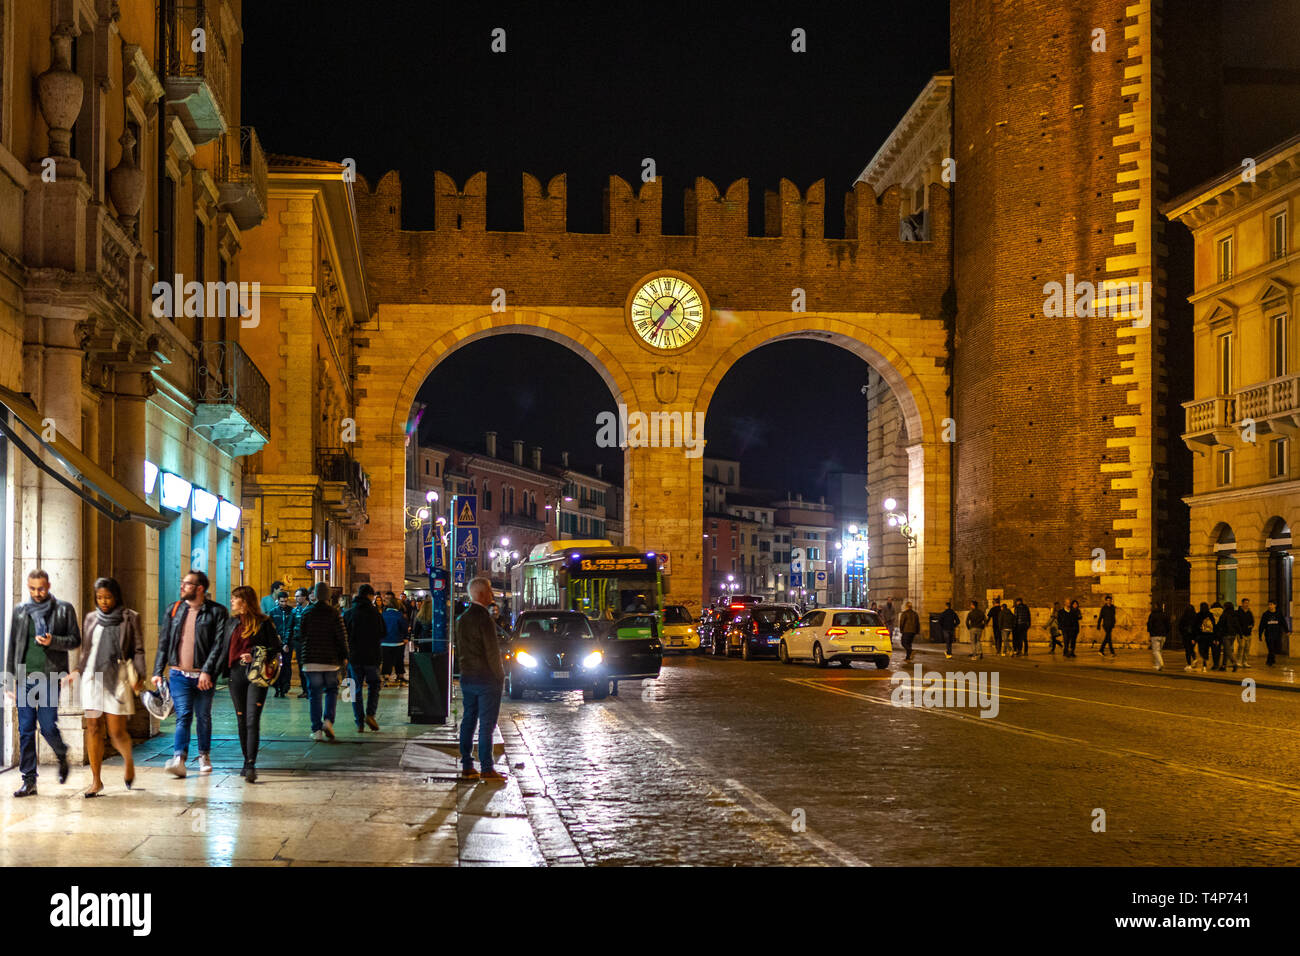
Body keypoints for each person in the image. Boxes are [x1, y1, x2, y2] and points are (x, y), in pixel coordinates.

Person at [4, 570, 79, 797]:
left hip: (49, 677)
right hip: (25, 678)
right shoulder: (20, 611)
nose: (37, 593)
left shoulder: (64, 609)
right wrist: (9, 680)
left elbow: (75, 640)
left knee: (47, 727)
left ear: (49, 585)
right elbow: (12, 647)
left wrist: (52, 640)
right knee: (26, 730)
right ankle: (29, 780)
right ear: (28, 587)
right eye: (33, 588)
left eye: (41, 588)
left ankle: (61, 752)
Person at [153, 569, 229, 778]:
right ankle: (179, 758)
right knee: (183, 715)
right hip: (178, 674)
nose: (182, 587)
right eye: (183, 583)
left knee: (203, 715)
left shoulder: (217, 612)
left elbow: (219, 645)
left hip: (204, 677)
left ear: (200, 588)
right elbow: (164, 642)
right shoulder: (174, 609)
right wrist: (157, 671)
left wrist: (207, 672)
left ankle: (204, 755)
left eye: (186, 583)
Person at [76, 577, 145, 797]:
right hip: (92, 677)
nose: (103, 601)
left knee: (116, 731)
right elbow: (86, 650)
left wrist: (140, 675)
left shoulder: (130, 618)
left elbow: (138, 649)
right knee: (94, 727)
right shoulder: (90, 619)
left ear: (116, 596)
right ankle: (96, 781)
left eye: (107, 597)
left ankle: (128, 761)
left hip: (118, 677)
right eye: (99, 597)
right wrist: (77, 671)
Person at [226, 586, 282, 782]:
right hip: (236, 674)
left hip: (256, 675)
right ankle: (245, 761)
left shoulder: (264, 622)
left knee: (252, 720)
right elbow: (222, 647)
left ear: (245, 601)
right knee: (241, 720)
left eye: (235, 598)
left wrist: (256, 654)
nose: (232, 601)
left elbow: (275, 648)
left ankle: (251, 763)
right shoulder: (231, 623)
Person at [454, 576, 506, 781]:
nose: (492, 595)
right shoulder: (485, 620)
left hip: (468, 677)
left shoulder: (462, 619)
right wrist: (500, 677)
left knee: (468, 720)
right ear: (482, 594)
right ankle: (486, 767)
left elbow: (460, 650)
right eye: (490, 591)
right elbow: (493, 654)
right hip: (486, 679)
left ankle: (467, 764)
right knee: (486, 724)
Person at [298, 581, 350, 741]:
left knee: (314, 695)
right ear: (329, 596)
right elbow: (341, 637)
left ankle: (317, 730)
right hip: (330, 660)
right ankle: (328, 721)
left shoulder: (307, 612)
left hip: (311, 660)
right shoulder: (334, 613)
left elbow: (301, 635)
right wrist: (345, 656)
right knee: (331, 691)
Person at [343, 584, 384, 733]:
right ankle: (370, 714)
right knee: (374, 685)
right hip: (372, 657)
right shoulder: (375, 613)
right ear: (369, 596)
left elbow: (343, 635)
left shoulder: (349, 613)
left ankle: (359, 721)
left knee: (356, 689)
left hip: (354, 657)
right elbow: (382, 632)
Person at [269, 590, 295, 698]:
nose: (283, 604)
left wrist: (287, 642)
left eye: (285, 601)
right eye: (281, 601)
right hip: (276, 643)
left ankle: (285, 686)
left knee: (286, 665)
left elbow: (291, 627)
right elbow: (270, 628)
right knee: (276, 665)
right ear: (278, 601)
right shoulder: (273, 612)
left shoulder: (291, 611)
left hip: (288, 642)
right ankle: (277, 686)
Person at [380, 591, 409, 686]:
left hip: (385, 642)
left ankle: (386, 677)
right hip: (398, 642)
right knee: (399, 660)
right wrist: (405, 637)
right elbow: (404, 628)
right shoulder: (399, 615)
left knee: (386, 660)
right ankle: (400, 676)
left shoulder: (383, 614)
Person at [289, 587, 311, 696]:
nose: (296, 598)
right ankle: (305, 690)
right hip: (298, 641)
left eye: (298, 596)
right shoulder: (295, 611)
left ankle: (310, 689)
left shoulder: (311, 609)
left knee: (309, 666)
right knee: (301, 665)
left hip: (309, 641)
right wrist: (286, 642)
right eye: (296, 596)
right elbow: (290, 627)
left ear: (304, 597)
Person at [1259, 601, 1289, 666]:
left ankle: (1270, 660)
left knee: (1275, 648)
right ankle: (1270, 661)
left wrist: (1287, 631)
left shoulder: (1279, 614)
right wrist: (1260, 634)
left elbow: (1283, 622)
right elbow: (1262, 624)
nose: (1270, 606)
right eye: (1269, 605)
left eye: (1271, 604)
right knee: (1270, 648)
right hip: (1268, 634)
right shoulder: (1265, 614)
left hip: (1277, 634)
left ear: (1275, 605)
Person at [1214, 600, 1241, 672]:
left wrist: (1217, 635)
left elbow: (1220, 625)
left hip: (1226, 635)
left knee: (1228, 651)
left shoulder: (1224, 615)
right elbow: (1237, 625)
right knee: (1226, 650)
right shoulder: (1234, 614)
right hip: (1233, 635)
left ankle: (1234, 663)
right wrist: (1240, 633)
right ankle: (1224, 666)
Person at [1193, 602, 1216, 672]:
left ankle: (1204, 663)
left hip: (1201, 636)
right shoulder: (1210, 615)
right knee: (1206, 650)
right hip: (1209, 636)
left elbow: (1195, 626)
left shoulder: (1198, 615)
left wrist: (1195, 636)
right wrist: (1214, 636)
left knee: (1201, 650)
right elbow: (1214, 625)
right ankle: (1205, 664)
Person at [1146, 602, 1169, 671]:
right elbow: (1168, 625)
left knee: (1156, 651)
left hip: (1155, 635)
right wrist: (1166, 632)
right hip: (1163, 635)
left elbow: (1149, 624)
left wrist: (1150, 632)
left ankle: (1161, 663)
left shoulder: (1152, 615)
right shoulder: (1164, 615)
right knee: (1159, 650)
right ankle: (1157, 665)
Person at [1177, 603, 1199, 671]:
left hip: (1186, 636)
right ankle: (1194, 659)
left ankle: (1189, 664)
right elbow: (1197, 628)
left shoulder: (1184, 617)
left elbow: (1180, 626)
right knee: (1191, 649)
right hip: (1194, 636)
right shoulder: (1196, 617)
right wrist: (1194, 638)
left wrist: (1182, 633)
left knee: (1187, 650)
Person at [1235, 598, 1254, 669]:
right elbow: (1237, 623)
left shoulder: (1249, 613)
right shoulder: (1238, 612)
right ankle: (1238, 661)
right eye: (1245, 603)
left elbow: (1252, 622)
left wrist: (1251, 626)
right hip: (1241, 633)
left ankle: (1245, 661)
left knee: (1247, 648)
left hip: (1248, 633)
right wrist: (1240, 630)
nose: (1247, 605)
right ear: (1242, 603)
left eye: (1248, 603)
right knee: (1241, 647)